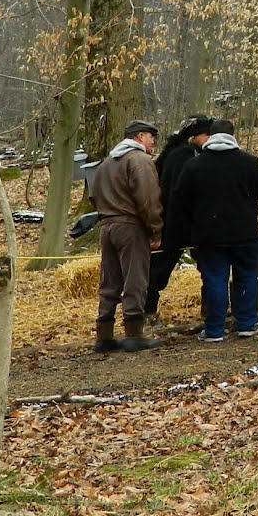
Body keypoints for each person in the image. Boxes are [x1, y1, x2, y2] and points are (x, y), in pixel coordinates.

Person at [171, 118, 258, 341]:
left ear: (210, 136)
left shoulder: (195, 165)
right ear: (232, 135)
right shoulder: (248, 161)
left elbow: (180, 199)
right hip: (244, 231)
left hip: (208, 234)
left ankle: (215, 330)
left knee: (215, 279)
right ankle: (246, 324)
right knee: (246, 276)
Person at [89, 119, 164, 353]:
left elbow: (93, 195)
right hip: (130, 226)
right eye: (151, 137)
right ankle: (134, 333)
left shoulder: (106, 163)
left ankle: (104, 334)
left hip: (106, 226)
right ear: (140, 137)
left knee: (109, 281)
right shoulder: (140, 160)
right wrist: (156, 228)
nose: (153, 142)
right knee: (135, 279)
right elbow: (148, 199)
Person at [146, 115, 214, 321]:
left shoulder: (179, 155)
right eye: (207, 135)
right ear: (196, 136)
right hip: (177, 223)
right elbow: (177, 194)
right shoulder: (182, 157)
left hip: (181, 222)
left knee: (207, 269)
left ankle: (209, 311)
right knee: (158, 271)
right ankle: (147, 313)